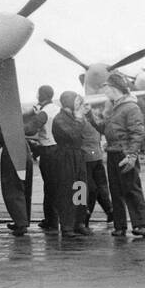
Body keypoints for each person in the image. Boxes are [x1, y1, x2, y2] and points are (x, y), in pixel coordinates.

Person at [94, 73, 145, 239]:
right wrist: (91, 117)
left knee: (131, 189)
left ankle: (141, 225)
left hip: (124, 153)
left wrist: (132, 155)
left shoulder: (131, 108)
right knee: (116, 191)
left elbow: (138, 132)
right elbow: (105, 128)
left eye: (107, 90)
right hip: (113, 152)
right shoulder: (115, 107)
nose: (105, 94)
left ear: (113, 88)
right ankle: (120, 226)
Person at [0, 108, 34, 235]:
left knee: (12, 188)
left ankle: (21, 224)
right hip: (24, 148)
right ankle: (23, 220)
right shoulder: (11, 113)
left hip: (11, 151)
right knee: (24, 188)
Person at [50, 91, 90, 238]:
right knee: (67, 191)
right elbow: (73, 134)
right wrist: (80, 118)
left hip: (77, 155)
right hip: (65, 156)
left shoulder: (73, 118)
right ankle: (67, 226)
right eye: (77, 102)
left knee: (80, 189)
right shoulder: (59, 119)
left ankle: (79, 223)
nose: (79, 105)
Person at [79, 108, 113, 232]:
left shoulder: (81, 122)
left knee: (86, 188)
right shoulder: (97, 121)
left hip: (85, 158)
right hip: (97, 156)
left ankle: (83, 218)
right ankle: (110, 211)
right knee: (101, 187)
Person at [31, 85, 60, 231]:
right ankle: (58, 217)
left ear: (41, 95)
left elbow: (31, 128)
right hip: (59, 148)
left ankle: (51, 220)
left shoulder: (44, 113)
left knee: (49, 186)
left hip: (48, 150)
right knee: (57, 185)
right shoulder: (57, 109)